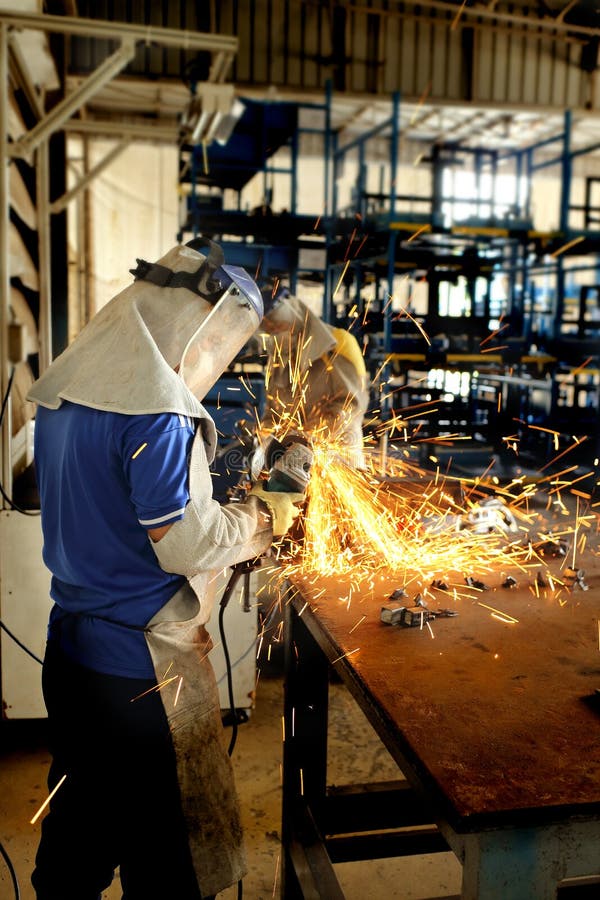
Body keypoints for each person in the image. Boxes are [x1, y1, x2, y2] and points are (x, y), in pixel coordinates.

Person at [27, 238, 303, 900]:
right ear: (193, 326)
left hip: (72, 658)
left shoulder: (70, 390)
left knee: (79, 835)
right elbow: (187, 543)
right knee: (169, 862)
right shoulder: (156, 409)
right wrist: (264, 516)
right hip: (140, 675)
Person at [258, 285, 369, 467]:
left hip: (339, 461)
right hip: (291, 462)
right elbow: (272, 410)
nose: (275, 332)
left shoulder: (340, 342)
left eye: (279, 326)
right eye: (270, 330)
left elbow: (350, 405)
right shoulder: (278, 358)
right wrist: (266, 433)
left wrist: (309, 435)